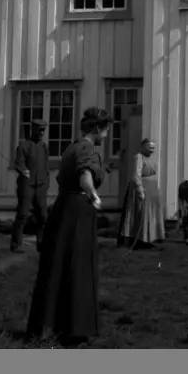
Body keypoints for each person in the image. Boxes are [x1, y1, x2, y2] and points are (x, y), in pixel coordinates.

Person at [26, 107, 112, 346]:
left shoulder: (72, 146)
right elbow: (85, 175)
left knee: (57, 267)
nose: (106, 136)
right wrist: (93, 195)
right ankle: (74, 330)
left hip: (64, 208)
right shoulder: (86, 148)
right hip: (77, 211)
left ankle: (48, 327)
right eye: (105, 131)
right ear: (97, 129)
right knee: (78, 267)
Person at [116, 138, 165, 250]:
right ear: (143, 147)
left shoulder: (151, 159)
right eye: (150, 147)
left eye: (153, 148)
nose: (152, 150)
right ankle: (139, 240)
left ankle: (149, 238)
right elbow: (136, 175)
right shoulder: (139, 157)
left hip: (152, 191)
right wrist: (140, 190)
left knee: (151, 215)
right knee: (141, 214)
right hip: (142, 189)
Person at [10, 119, 49, 253]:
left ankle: (42, 243)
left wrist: (46, 181)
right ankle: (16, 243)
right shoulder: (24, 146)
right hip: (26, 185)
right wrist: (24, 170)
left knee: (43, 215)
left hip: (41, 185)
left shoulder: (44, 147)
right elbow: (18, 163)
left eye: (43, 130)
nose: (41, 133)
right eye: (39, 130)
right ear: (33, 130)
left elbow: (46, 165)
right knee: (23, 214)